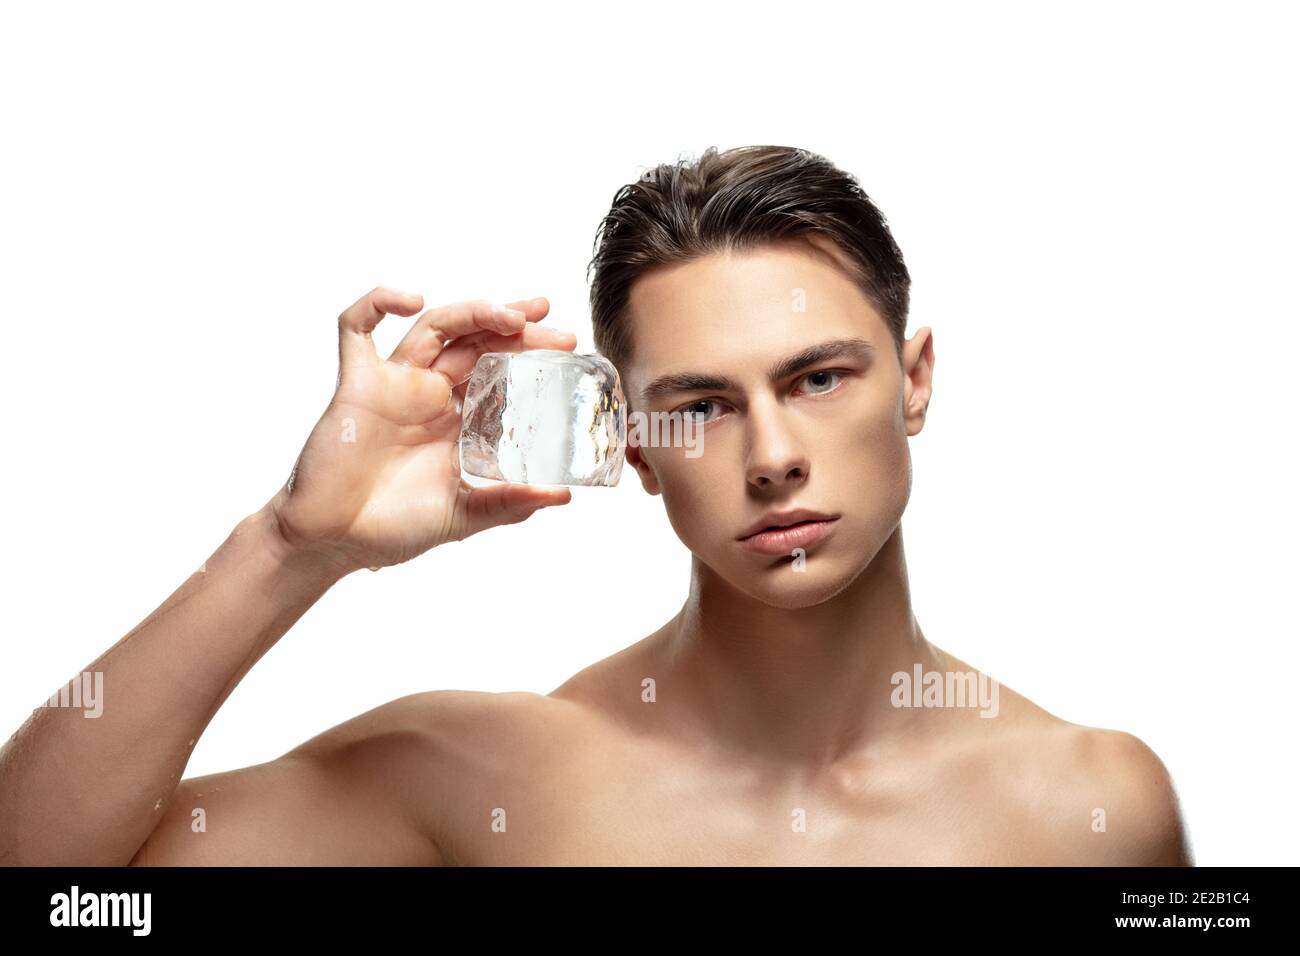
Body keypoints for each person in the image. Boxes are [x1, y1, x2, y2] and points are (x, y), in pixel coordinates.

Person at [0, 145, 1193, 866]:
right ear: (631, 441)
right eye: (702, 405)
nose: (773, 454)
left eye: (818, 378)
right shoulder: (482, 776)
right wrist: (289, 546)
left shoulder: (1089, 803)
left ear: (914, 378)